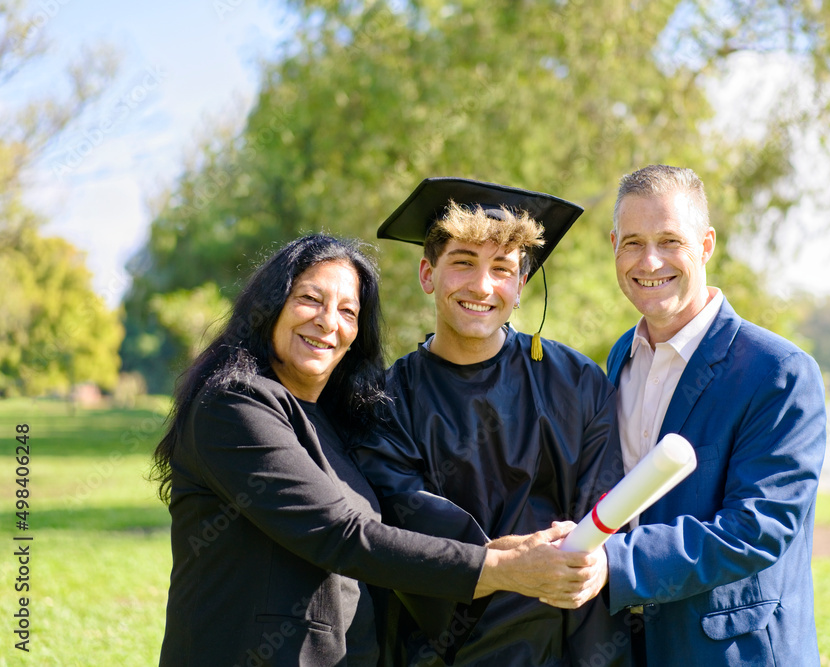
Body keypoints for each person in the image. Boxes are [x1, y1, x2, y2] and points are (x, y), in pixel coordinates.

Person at [151, 234, 605, 667]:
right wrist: (504, 566)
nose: (329, 322)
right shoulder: (233, 405)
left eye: (348, 311)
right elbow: (343, 534)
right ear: (269, 305)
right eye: (310, 299)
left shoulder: (332, 420)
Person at [354, 178, 628, 666]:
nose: (482, 286)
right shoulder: (387, 401)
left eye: (502, 269)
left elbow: (603, 519)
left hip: (563, 645)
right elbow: (404, 530)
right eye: (462, 262)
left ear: (521, 286)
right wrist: (513, 565)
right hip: (440, 652)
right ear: (427, 273)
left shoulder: (577, 384)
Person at [601, 164, 827, 665]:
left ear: (705, 246)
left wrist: (611, 563)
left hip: (731, 651)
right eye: (633, 242)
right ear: (614, 245)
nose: (649, 259)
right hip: (628, 645)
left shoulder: (780, 371)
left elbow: (757, 528)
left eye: (669, 240)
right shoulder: (621, 356)